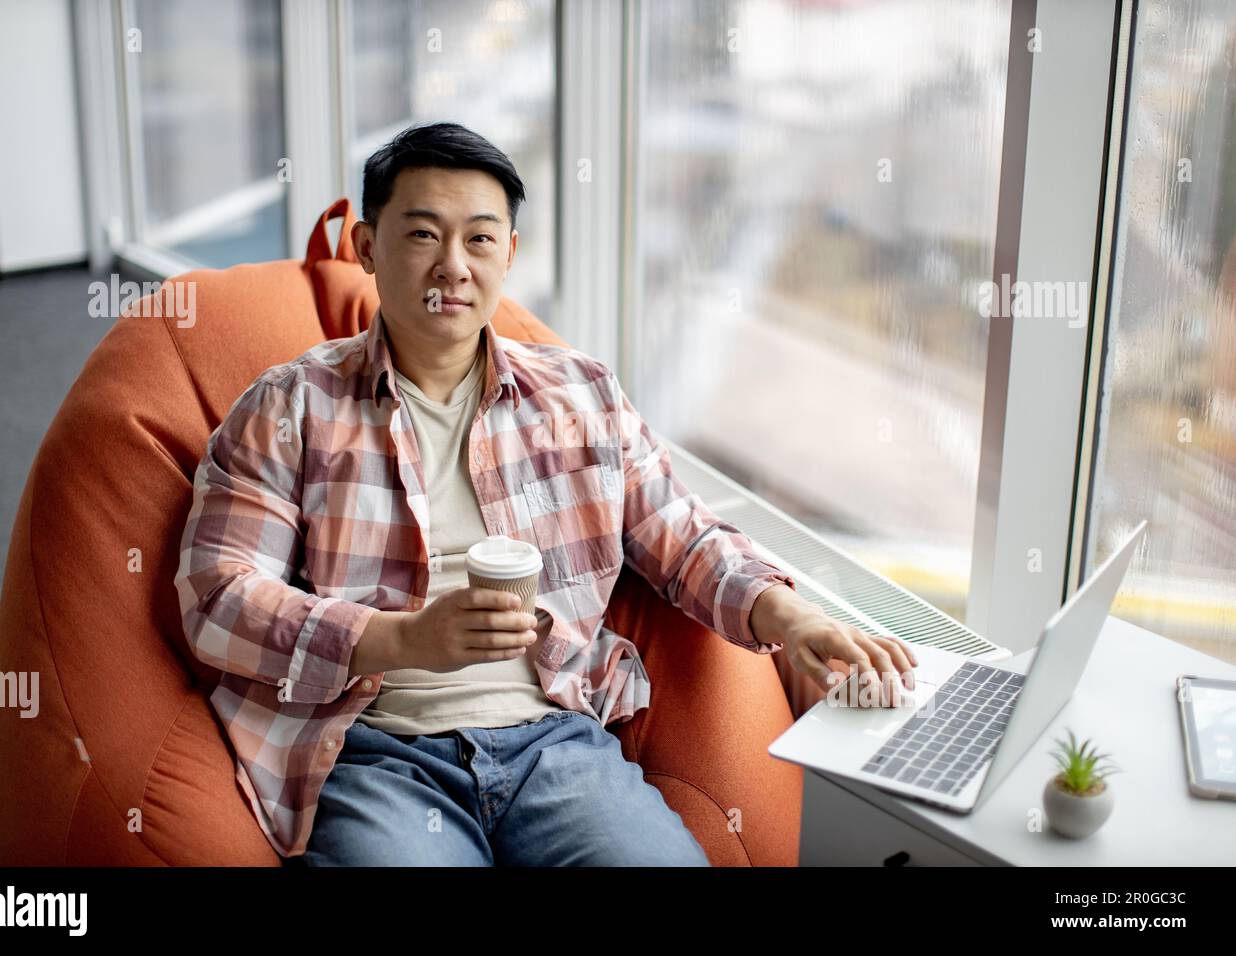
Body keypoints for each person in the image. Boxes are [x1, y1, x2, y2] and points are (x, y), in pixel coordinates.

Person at [174, 121, 917, 866]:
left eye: (480, 240)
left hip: (553, 741)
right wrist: (399, 640)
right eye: (423, 235)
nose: (453, 267)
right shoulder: (289, 407)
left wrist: (792, 616)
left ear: (510, 254)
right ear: (367, 248)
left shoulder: (579, 395)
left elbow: (681, 535)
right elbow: (217, 598)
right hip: (375, 749)